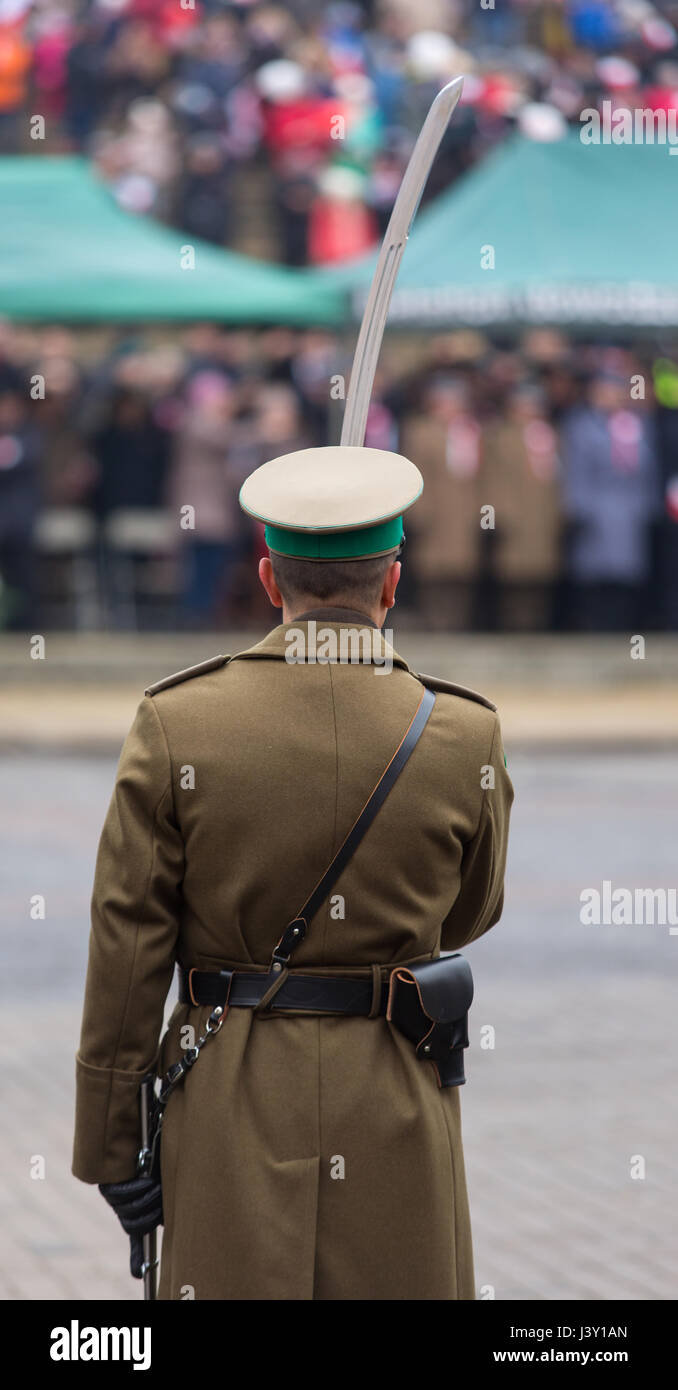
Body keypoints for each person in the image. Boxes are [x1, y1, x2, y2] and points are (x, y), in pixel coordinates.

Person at [71, 443, 513, 1301]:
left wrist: (110, 1142)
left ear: (270, 580)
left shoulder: (177, 722)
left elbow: (127, 947)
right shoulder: (465, 733)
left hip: (230, 1077)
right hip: (395, 1078)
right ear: (393, 585)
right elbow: (471, 912)